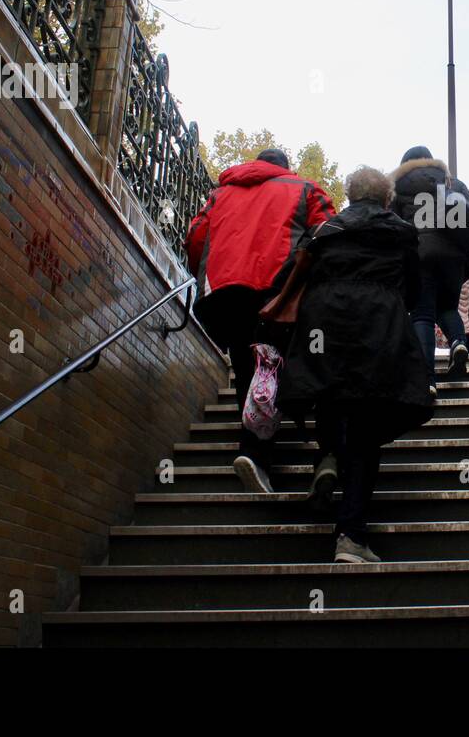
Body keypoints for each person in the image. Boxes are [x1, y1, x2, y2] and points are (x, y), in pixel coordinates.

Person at [278, 167, 434, 564]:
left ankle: (328, 455)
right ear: (386, 199)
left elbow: (295, 275)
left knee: (328, 393)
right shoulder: (400, 232)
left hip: (323, 321)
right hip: (377, 325)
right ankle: (350, 535)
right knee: (365, 430)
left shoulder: (326, 229)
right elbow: (415, 291)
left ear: (348, 196)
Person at [184, 148, 336, 493]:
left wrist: (205, 273)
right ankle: (256, 452)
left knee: (245, 363)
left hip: (223, 290)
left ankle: (256, 447)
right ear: (286, 167)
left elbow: (195, 235)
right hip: (276, 289)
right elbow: (327, 232)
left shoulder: (220, 193)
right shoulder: (305, 188)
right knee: (271, 362)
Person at [390, 146, 469, 391]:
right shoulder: (454, 183)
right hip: (454, 259)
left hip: (419, 255)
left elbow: (391, 225)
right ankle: (459, 342)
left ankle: (427, 378)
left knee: (423, 314)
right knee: (447, 307)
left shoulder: (398, 186)